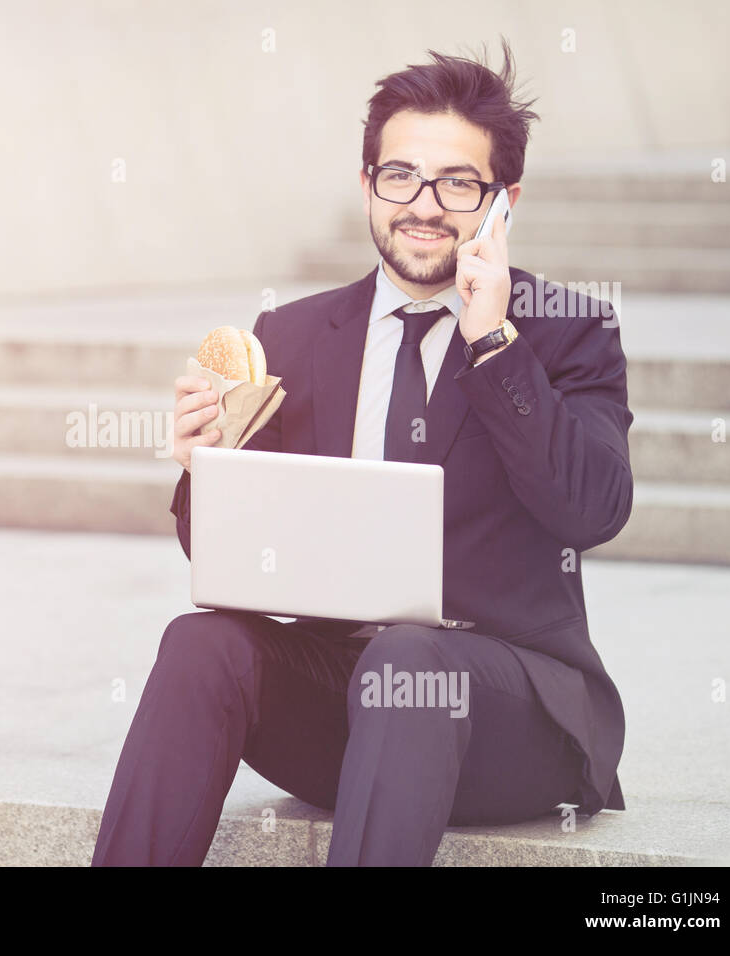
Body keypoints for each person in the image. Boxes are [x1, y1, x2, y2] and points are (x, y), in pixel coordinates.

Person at [92, 39, 633, 867]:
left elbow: (593, 508)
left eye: (458, 183)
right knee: (200, 644)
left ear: (504, 202)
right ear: (367, 186)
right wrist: (208, 474)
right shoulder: (295, 336)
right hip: (346, 711)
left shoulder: (566, 331)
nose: (423, 204)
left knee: (406, 657)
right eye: (399, 176)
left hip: (517, 717)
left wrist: (492, 341)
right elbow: (230, 559)